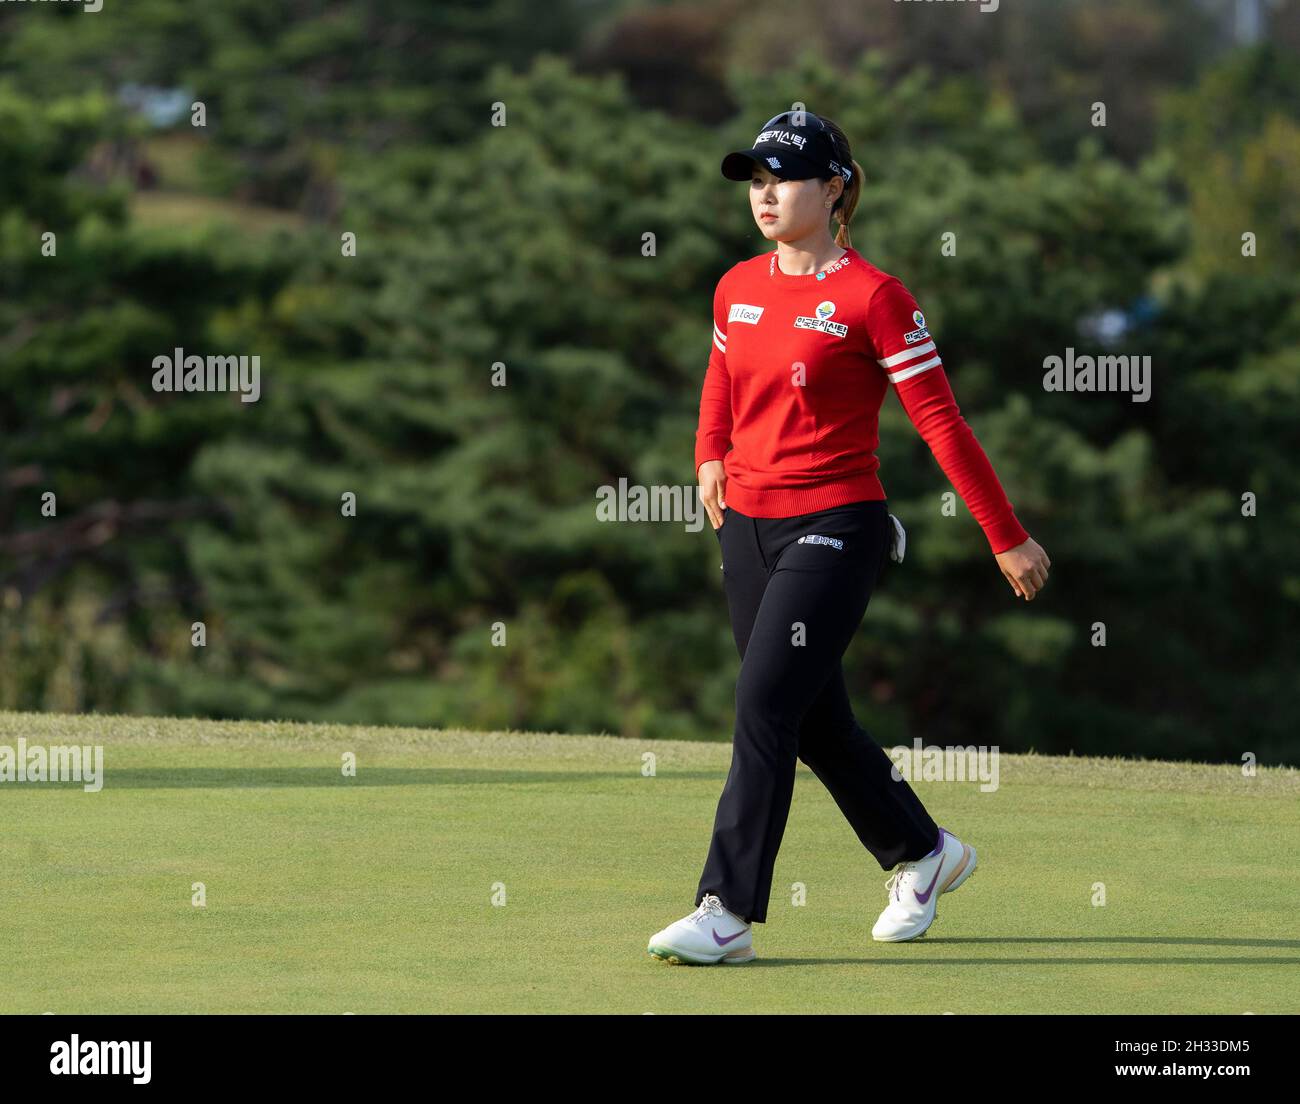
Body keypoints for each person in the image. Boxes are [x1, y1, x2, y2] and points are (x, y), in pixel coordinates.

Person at [647, 109, 1051, 965]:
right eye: (755, 180)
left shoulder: (874, 296)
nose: (765, 195)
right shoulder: (737, 285)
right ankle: (925, 852)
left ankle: (725, 911)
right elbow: (722, 371)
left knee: (762, 705)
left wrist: (1004, 535)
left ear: (834, 189)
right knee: (816, 720)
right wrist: (707, 452)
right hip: (746, 525)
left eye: (783, 178)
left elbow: (940, 421)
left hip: (836, 524)